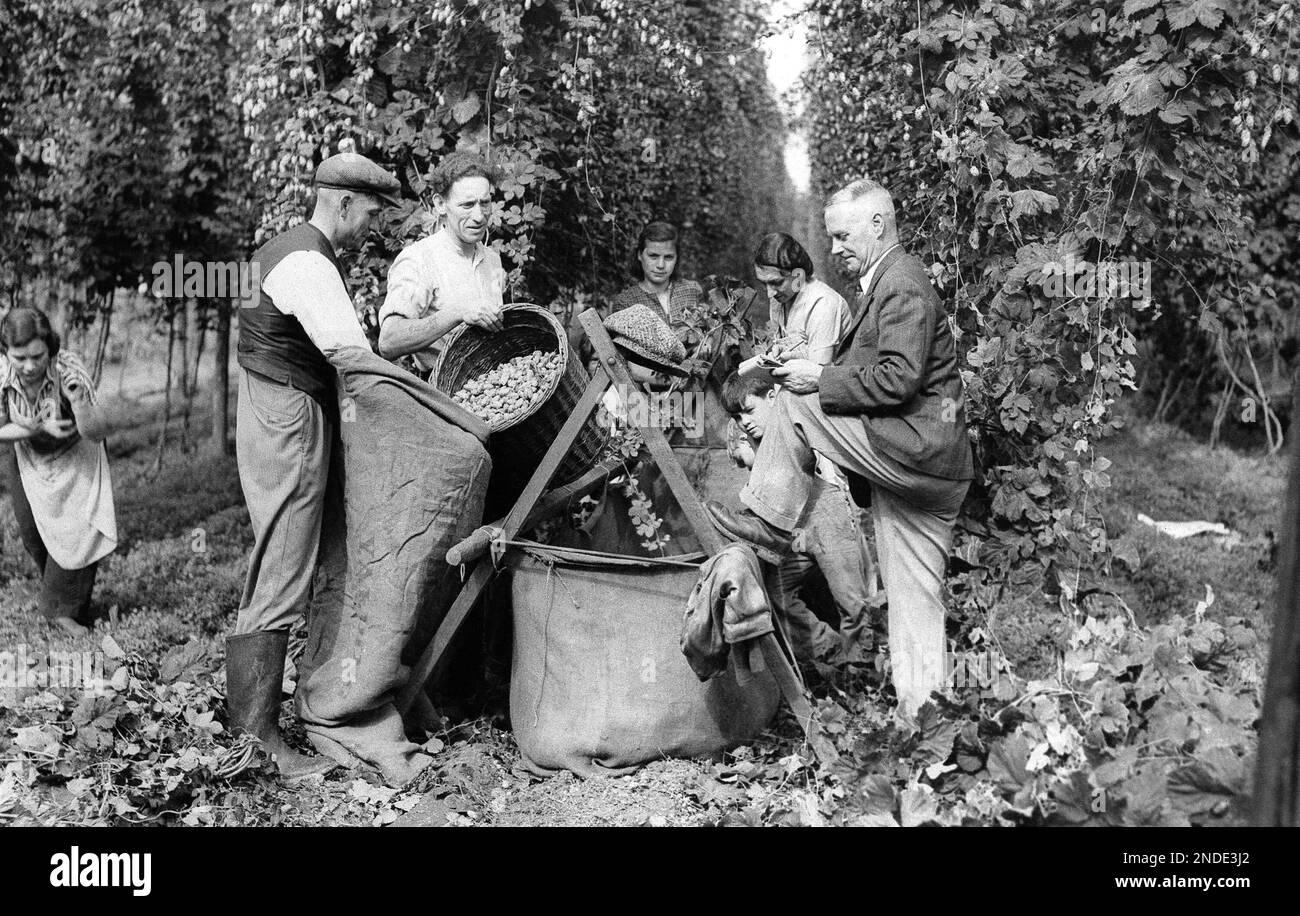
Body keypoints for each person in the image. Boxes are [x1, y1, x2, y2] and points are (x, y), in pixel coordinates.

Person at [706, 178, 975, 718]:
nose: (834, 249)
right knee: (914, 602)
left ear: (878, 226)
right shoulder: (889, 282)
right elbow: (882, 372)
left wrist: (818, 377)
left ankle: (768, 520)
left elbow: (898, 380)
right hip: (932, 471)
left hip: (917, 450)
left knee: (801, 403)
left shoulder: (901, 282)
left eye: (843, 236)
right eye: (830, 238)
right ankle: (925, 725)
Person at [229, 151, 402, 780]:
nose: (371, 229)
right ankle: (256, 735)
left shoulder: (285, 248)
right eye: (371, 214)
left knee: (305, 553)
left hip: (273, 404)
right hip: (289, 416)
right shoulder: (308, 261)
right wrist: (413, 399)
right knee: (284, 558)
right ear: (344, 203)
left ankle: (299, 707)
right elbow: (347, 351)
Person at [722, 371, 875, 668]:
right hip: (789, 527)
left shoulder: (790, 412)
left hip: (822, 511)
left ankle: (865, 667)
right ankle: (834, 655)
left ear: (771, 397)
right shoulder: (752, 438)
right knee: (775, 593)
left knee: (850, 597)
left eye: (749, 411)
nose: (745, 421)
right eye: (738, 418)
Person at [0, 308, 117, 636]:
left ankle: (64, 611)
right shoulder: (2, 373)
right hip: (30, 457)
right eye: (19, 357)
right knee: (32, 534)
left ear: (49, 348)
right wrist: (35, 427)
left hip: (77, 454)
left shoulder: (67, 368)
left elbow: (98, 430)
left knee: (77, 531)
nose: (29, 366)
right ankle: (69, 598)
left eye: (37, 356)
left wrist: (77, 400)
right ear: (6, 352)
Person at [377, 151, 509, 373]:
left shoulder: (492, 260)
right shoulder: (419, 260)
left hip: (493, 390)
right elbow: (389, 341)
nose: (479, 216)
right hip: (441, 394)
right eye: (467, 205)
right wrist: (457, 312)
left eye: (484, 203)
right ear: (440, 204)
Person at [753, 232, 850, 365]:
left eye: (777, 282)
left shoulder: (823, 303)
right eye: (764, 284)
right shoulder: (779, 299)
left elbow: (819, 372)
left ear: (798, 277)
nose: (770, 293)